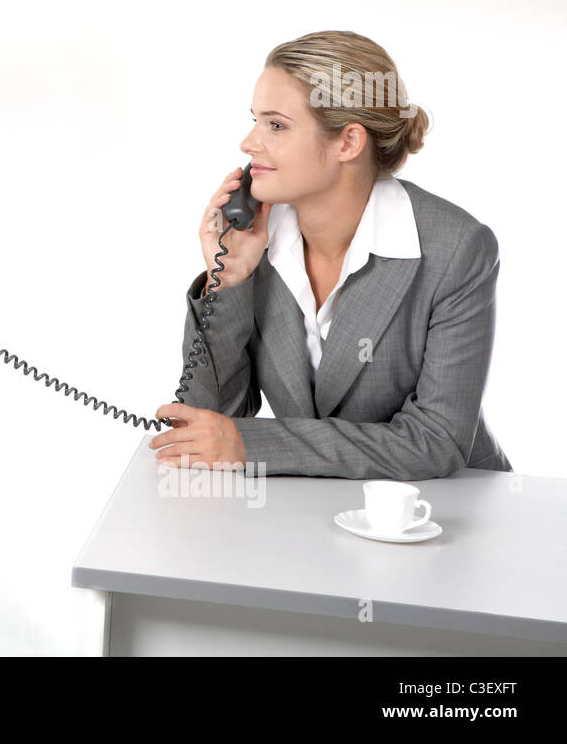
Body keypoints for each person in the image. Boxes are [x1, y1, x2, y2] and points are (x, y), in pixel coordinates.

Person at [153, 29, 512, 480]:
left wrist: (254, 444)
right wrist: (229, 279)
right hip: (316, 512)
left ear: (348, 142)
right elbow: (206, 420)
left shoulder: (457, 249)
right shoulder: (255, 240)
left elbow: (436, 440)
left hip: (445, 511)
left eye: (276, 125)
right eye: (254, 120)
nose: (249, 143)